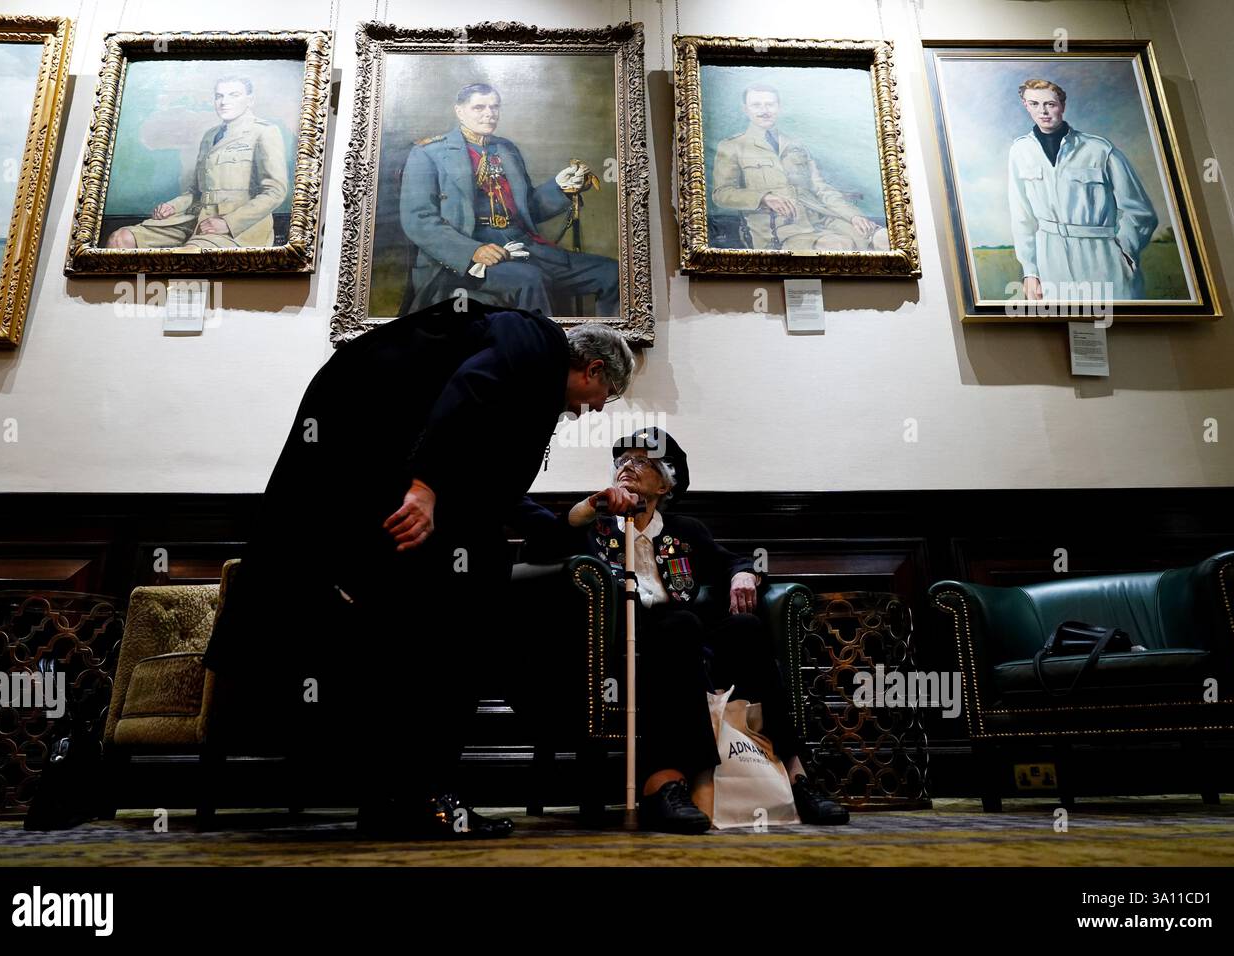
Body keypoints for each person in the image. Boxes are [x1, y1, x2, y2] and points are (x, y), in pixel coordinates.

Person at [202, 297, 634, 840]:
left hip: (372, 459)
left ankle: (393, 800)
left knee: (410, 644)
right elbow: (470, 389)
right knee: (456, 643)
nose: (593, 410)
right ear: (593, 368)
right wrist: (425, 485)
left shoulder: (526, 381)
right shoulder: (536, 340)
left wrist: (581, 513)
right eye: (604, 398)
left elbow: (490, 495)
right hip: (369, 451)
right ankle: (422, 798)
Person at [524, 427, 849, 833]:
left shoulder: (685, 530)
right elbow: (538, 548)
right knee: (680, 624)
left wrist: (743, 575)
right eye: (621, 461)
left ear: (665, 482)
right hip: (619, 650)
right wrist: (591, 507)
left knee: (744, 629)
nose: (627, 467)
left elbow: (733, 560)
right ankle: (667, 783)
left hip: (685, 641)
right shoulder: (598, 526)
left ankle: (798, 776)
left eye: (641, 461)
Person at [398, 83, 620, 316]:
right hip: (464, 258)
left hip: (525, 245)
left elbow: (528, 208)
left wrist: (561, 188)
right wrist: (472, 250)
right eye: (479, 107)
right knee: (532, 280)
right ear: (459, 111)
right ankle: (540, 351)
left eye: (495, 107)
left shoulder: (506, 149)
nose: (489, 114)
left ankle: (604, 345)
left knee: (611, 273)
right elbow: (419, 220)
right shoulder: (428, 153)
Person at [1008, 78, 1158, 301]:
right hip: (1051, 260)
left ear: (1063, 105)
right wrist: (1030, 271)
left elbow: (1141, 212)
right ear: (1025, 105)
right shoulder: (1020, 151)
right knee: (1063, 329)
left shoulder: (1099, 149)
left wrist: (1124, 252)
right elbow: (1022, 217)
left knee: (1122, 327)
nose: (1043, 112)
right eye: (1035, 104)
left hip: (1103, 257)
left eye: (1050, 104)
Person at [105, 76, 288, 250]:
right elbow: (195, 192)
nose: (224, 102)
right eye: (219, 96)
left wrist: (228, 222)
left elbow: (275, 191)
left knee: (189, 255)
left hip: (239, 228)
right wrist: (172, 206)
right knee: (120, 239)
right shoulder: (210, 136)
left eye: (234, 95)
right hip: (196, 218)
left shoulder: (264, 132)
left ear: (250, 100)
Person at [712, 83, 888, 252]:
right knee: (839, 245)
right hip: (779, 228)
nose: (764, 111)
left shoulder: (795, 145)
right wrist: (763, 197)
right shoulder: (732, 146)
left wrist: (853, 215)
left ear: (778, 107)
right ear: (746, 109)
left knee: (883, 238)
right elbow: (722, 194)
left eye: (770, 104)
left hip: (821, 218)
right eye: (756, 105)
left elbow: (820, 188)